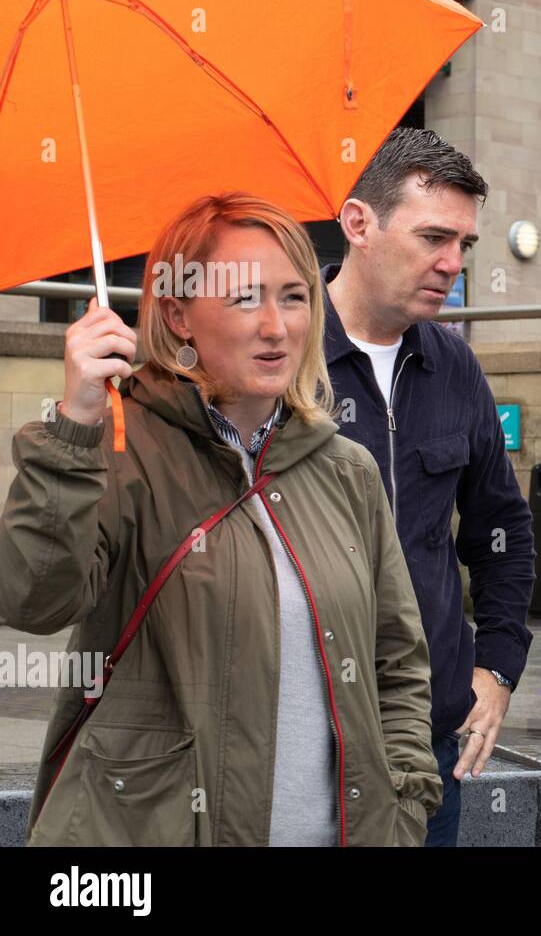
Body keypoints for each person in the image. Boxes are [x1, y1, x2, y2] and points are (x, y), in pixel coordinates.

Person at [2, 194, 439, 846]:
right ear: (178, 313)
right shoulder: (119, 450)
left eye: (294, 297)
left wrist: (403, 805)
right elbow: (33, 598)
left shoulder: (347, 470)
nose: (276, 326)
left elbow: (398, 663)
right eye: (244, 298)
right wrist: (76, 427)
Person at [324, 129, 535, 847]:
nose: (452, 265)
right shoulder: (277, 360)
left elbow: (501, 530)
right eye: (433, 238)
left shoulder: (455, 366)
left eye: (465, 247)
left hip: (426, 745)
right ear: (359, 224)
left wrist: (498, 666)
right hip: (298, 735)